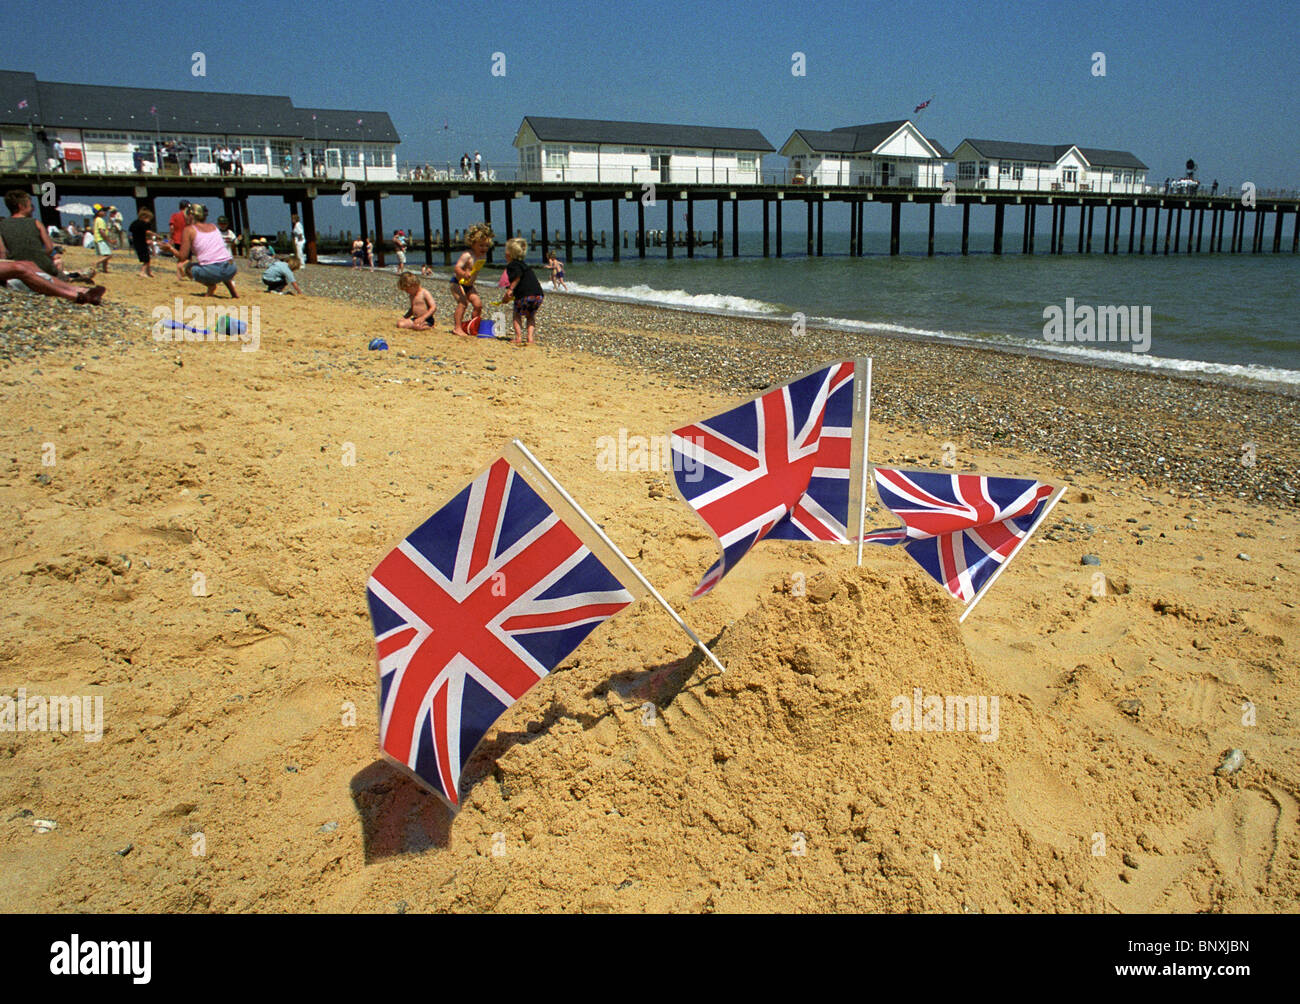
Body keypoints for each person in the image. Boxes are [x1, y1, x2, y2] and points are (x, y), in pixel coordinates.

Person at [0, 189, 71, 279]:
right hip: (42, 266)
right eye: (31, 206)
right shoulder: (36, 223)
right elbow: (49, 248)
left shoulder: (2, 225)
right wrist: (39, 256)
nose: (33, 209)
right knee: (60, 272)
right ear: (21, 206)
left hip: (17, 268)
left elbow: (2, 252)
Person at [176, 202, 238, 297]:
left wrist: (169, 248)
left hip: (213, 272)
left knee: (187, 268)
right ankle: (234, 293)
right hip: (231, 268)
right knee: (220, 261)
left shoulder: (189, 230)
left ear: (191, 216)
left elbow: (182, 257)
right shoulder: (213, 226)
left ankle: (211, 285)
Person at [450, 222, 493, 336]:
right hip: (457, 283)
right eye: (481, 245)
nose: (484, 248)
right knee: (463, 303)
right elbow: (457, 268)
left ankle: (474, 325)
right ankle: (457, 328)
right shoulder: (467, 255)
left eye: (486, 246)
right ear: (473, 244)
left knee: (478, 305)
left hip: (469, 285)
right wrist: (463, 273)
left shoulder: (482, 256)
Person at [501, 238, 545, 347]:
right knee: (530, 316)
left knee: (516, 314)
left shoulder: (512, 265)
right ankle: (530, 338)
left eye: (506, 251)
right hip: (538, 295)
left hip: (525, 295)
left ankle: (518, 338)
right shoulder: (525, 265)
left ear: (509, 254)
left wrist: (510, 290)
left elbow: (517, 276)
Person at [128, 206, 156, 277]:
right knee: (146, 259)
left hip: (136, 241)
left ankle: (149, 272)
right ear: (145, 217)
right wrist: (155, 234)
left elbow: (131, 230)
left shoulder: (135, 223)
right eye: (149, 219)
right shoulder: (143, 224)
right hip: (141, 242)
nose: (149, 221)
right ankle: (142, 272)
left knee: (147, 258)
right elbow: (147, 231)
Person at [168, 200, 191, 279]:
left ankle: (179, 277)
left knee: (179, 258)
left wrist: (171, 237)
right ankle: (181, 266)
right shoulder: (189, 217)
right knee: (188, 258)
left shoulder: (174, 215)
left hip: (177, 239)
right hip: (187, 239)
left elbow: (172, 227)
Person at [91, 205, 114, 274]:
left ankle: (105, 270)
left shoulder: (96, 220)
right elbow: (101, 231)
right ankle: (96, 263)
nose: (105, 212)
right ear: (98, 212)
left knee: (105, 255)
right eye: (103, 211)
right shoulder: (100, 220)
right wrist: (109, 240)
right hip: (101, 240)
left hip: (97, 239)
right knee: (108, 255)